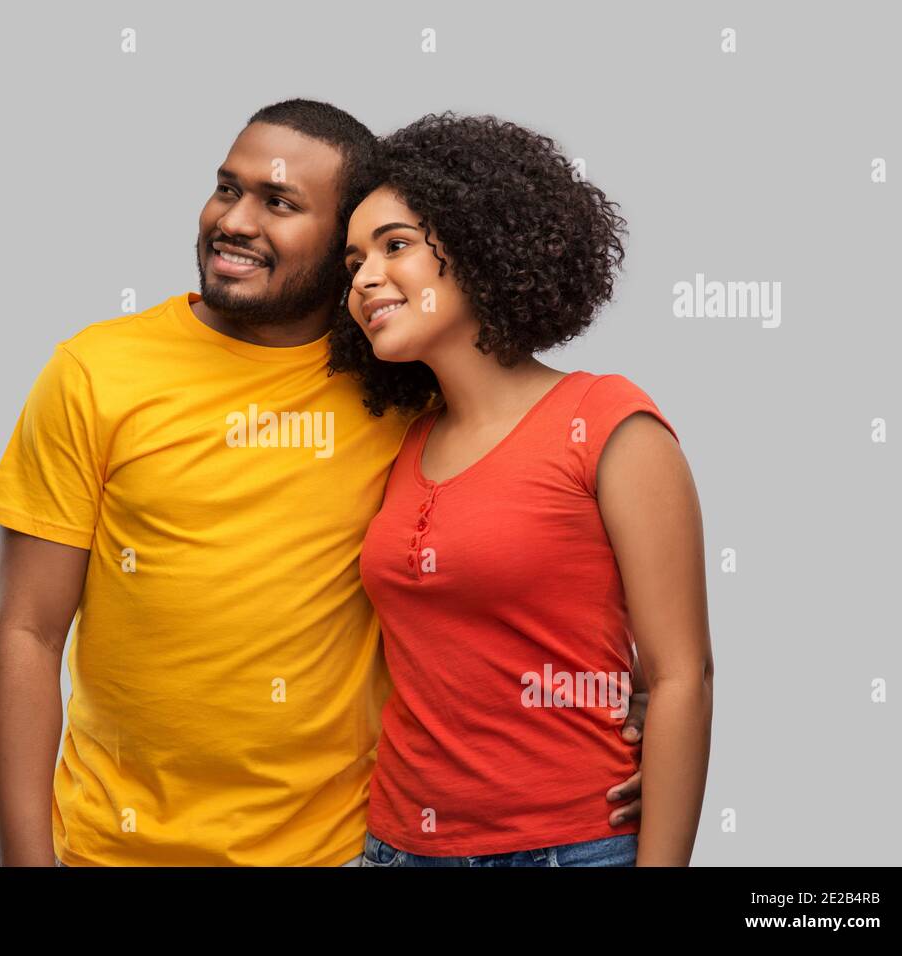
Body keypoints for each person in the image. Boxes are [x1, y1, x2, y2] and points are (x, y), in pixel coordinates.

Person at [0, 100, 649, 867]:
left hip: (343, 851)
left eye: (279, 203)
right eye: (227, 189)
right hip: (111, 849)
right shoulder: (92, 372)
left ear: (343, 247)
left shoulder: (405, 389)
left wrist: (628, 704)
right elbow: (25, 633)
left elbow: (533, 558)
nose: (234, 220)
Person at [332, 113, 713, 866]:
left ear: (478, 247)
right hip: (396, 847)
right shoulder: (404, 443)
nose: (366, 278)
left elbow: (680, 675)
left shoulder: (608, 422)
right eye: (351, 264)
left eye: (396, 246)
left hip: (569, 849)